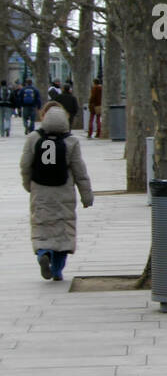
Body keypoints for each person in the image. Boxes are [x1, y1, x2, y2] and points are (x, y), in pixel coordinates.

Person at [20, 103, 93, 281]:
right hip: (64, 192)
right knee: (64, 229)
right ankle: (57, 270)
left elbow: (25, 165)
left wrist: (28, 185)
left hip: (40, 190)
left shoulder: (33, 138)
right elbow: (79, 171)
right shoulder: (71, 141)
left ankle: (43, 253)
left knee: (41, 225)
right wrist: (86, 195)